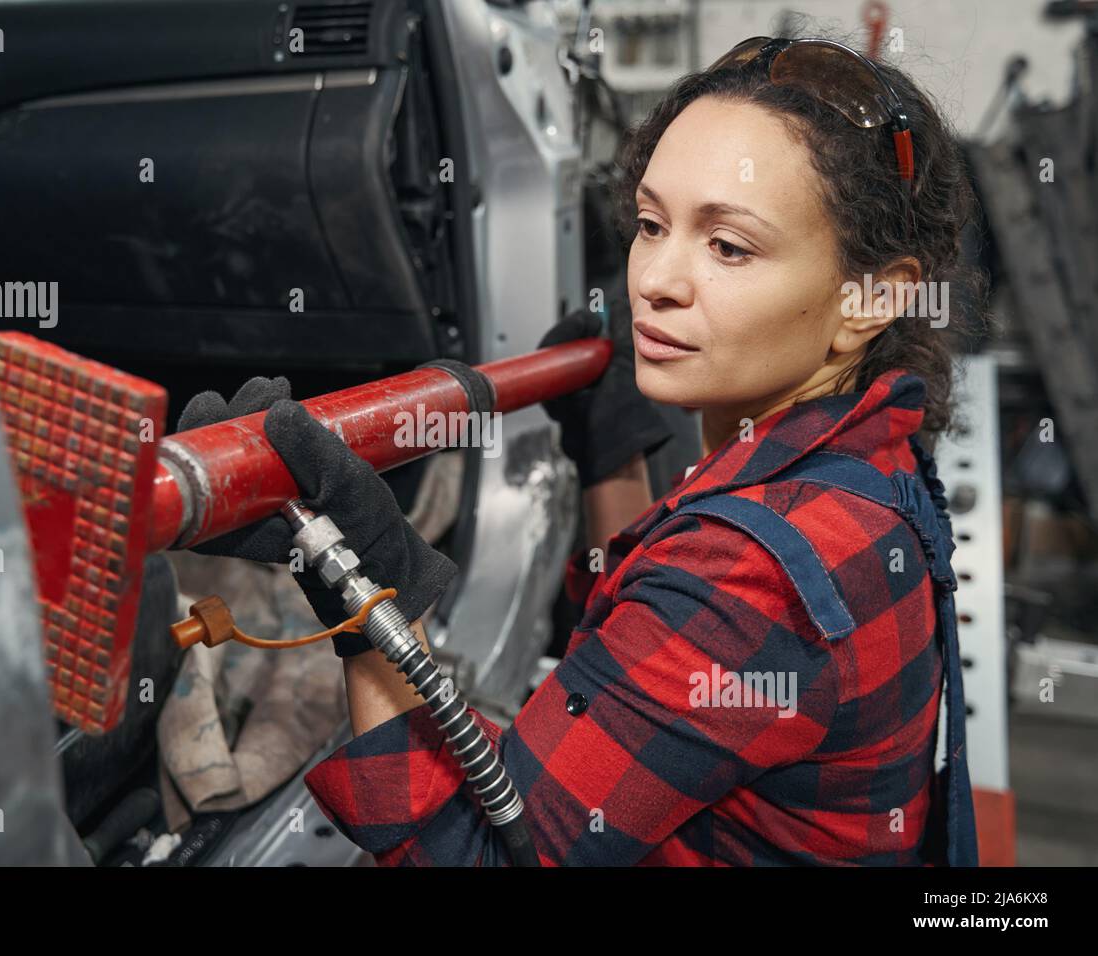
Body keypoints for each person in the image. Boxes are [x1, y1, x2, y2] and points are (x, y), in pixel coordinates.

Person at [178, 35, 986, 866]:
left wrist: (366, 578)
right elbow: (649, 654)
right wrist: (613, 459)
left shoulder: (756, 576)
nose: (656, 280)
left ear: (870, 298)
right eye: (652, 224)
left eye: (728, 246)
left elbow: (471, 855)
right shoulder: (868, 456)